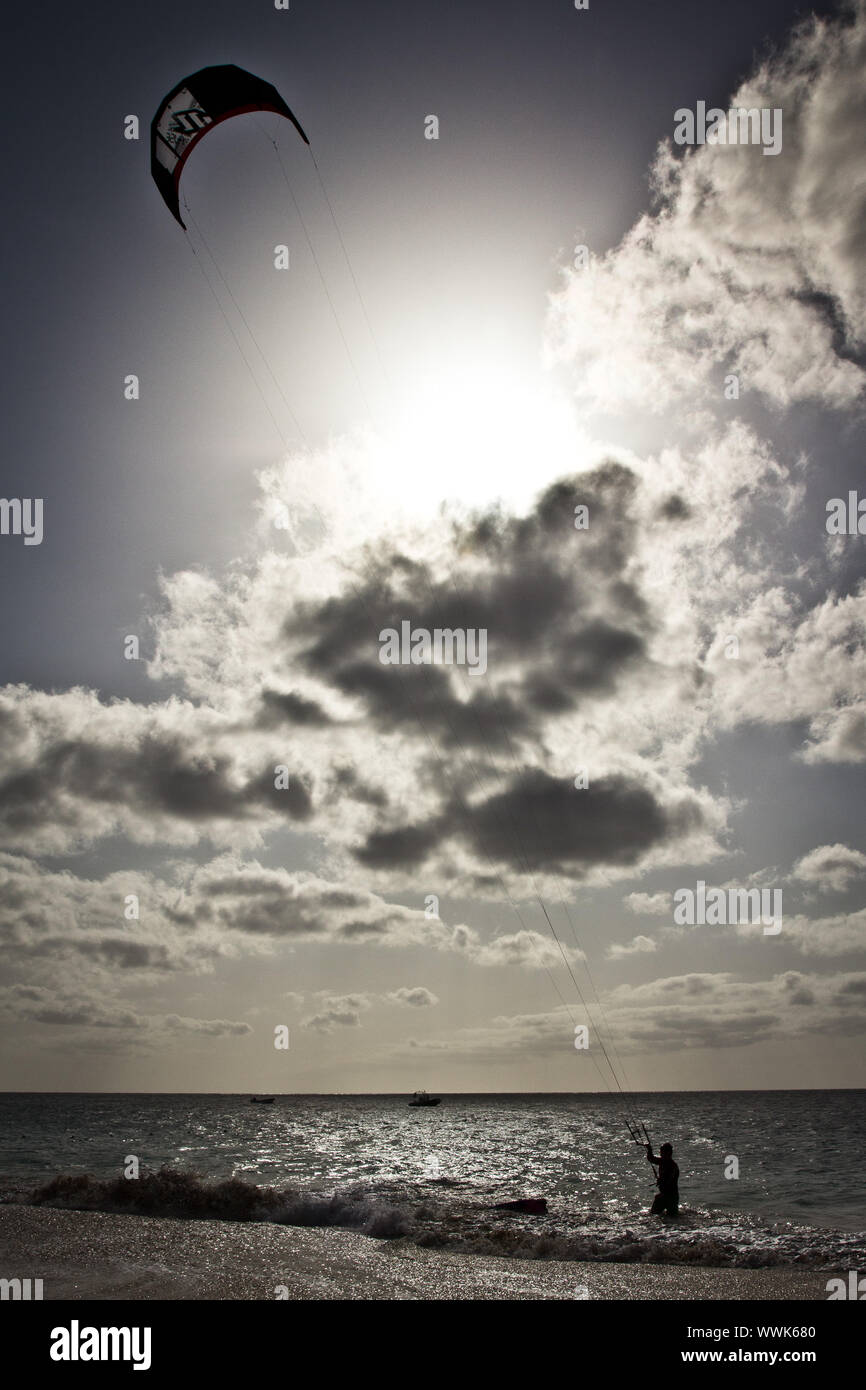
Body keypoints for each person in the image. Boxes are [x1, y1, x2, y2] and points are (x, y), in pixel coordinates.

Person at [645, 1141, 679, 1216]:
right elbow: (651, 1158)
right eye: (660, 1152)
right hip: (664, 1195)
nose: (660, 1154)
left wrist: (662, 1181)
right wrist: (649, 1150)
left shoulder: (673, 1166)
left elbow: (670, 1180)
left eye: (662, 1152)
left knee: (673, 1218)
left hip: (671, 1197)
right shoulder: (662, 1161)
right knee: (653, 1214)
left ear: (668, 1153)